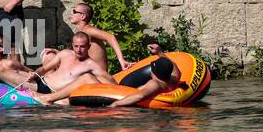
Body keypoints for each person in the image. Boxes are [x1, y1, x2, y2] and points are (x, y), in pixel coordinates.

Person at [36, 50, 180, 107]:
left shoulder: (154, 84)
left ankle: (49, 98)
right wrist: (161, 53)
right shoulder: (172, 80)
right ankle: (55, 99)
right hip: (120, 93)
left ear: (154, 72)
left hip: (117, 98)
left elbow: (139, 96)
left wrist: (115, 105)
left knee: (87, 78)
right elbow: (175, 68)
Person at [45, 2, 127, 72]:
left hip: (97, 77)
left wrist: (121, 60)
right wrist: (57, 52)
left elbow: (110, 37)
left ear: (83, 16)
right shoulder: (82, 33)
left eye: (74, 11)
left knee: (50, 59)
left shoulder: (89, 30)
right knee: (50, 56)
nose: (71, 14)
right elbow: (75, 56)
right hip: (88, 72)